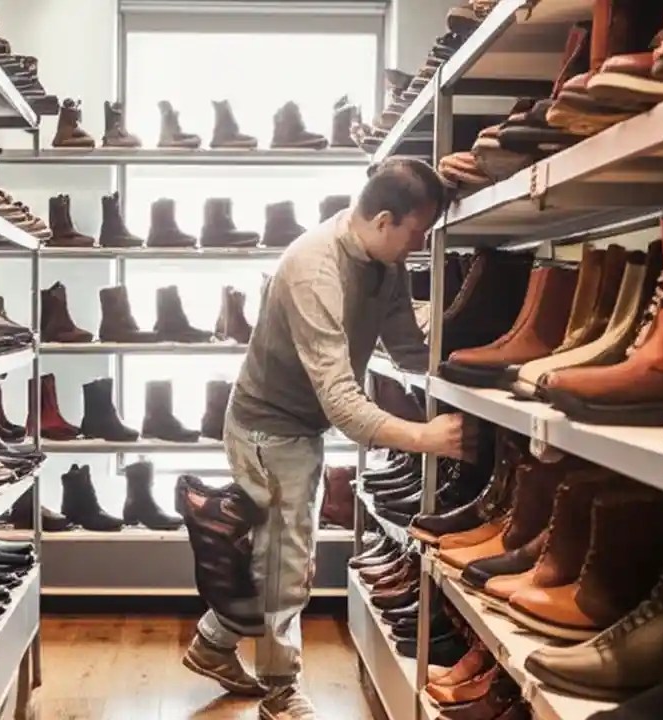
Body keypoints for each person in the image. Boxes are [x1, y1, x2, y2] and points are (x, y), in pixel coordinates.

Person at [181, 158, 474, 719]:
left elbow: (407, 346)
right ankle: (279, 691)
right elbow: (341, 403)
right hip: (269, 428)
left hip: (297, 425)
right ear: (385, 219)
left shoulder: (384, 261)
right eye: (417, 232)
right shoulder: (314, 269)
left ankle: (212, 645)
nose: (420, 245)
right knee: (287, 566)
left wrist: (469, 373)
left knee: (276, 556)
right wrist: (425, 437)